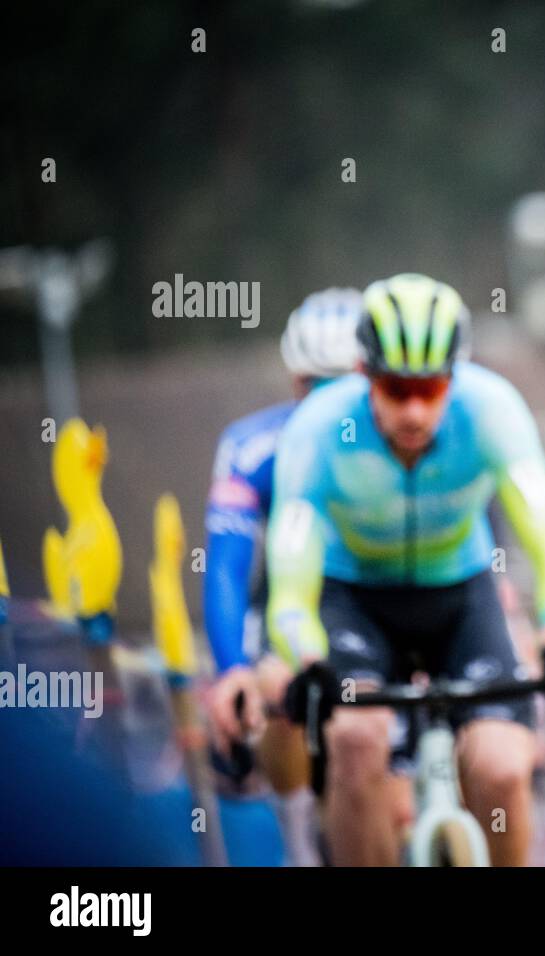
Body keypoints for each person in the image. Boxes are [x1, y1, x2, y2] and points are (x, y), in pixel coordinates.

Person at [264, 273, 545, 866]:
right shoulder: (317, 429)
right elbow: (289, 587)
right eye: (396, 387)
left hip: (460, 596)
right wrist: (305, 659)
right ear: (363, 374)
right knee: (356, 740)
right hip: (355, 601)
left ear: (454, 378)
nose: (415, 409)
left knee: (500, 767)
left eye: (431, 387)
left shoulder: (491, 409)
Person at [203, 287, 364, 865]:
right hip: (286, 609)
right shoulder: (252, 446)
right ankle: (297, 836)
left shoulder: (410, 434)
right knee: (271, 688)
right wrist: (231, 671)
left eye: (345, 386)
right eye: (315, 386)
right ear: (295, 383)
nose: (326, 406)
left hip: (381, 605)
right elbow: (225, 566)